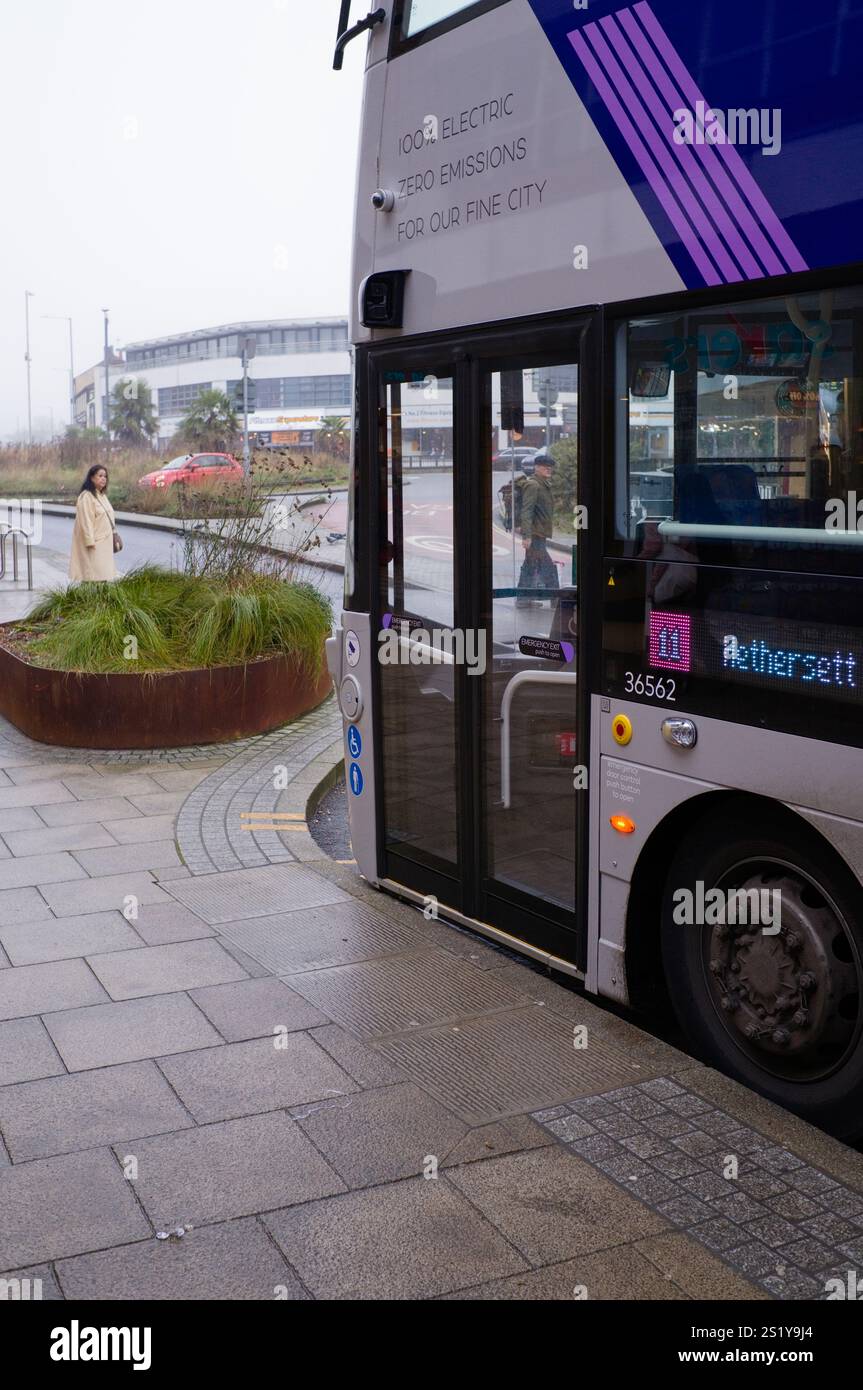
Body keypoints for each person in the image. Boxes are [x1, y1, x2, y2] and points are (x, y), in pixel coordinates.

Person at [516, 451, 559, 607]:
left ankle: (523, 599)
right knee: (547, 566)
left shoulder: (543, 484)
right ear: (537, 467)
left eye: (550, 467)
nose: (549, 469)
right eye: (545, 467)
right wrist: (527, 536)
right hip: (534, 534)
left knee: (530, 565)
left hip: (539, 533)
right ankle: (557, 598)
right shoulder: (533, 485)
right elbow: (526, 511)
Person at [69, 465, 119, 582]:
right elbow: (85, 521)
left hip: (105, 544)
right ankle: (87, 600)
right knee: (93, 577)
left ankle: (101, 600)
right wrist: (89, 542)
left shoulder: (101, 496)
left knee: (103, 578)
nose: (104, 479)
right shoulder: (86, 496)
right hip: (94, 545)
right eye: (100, 476)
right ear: (92, 478)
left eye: (105, 476)